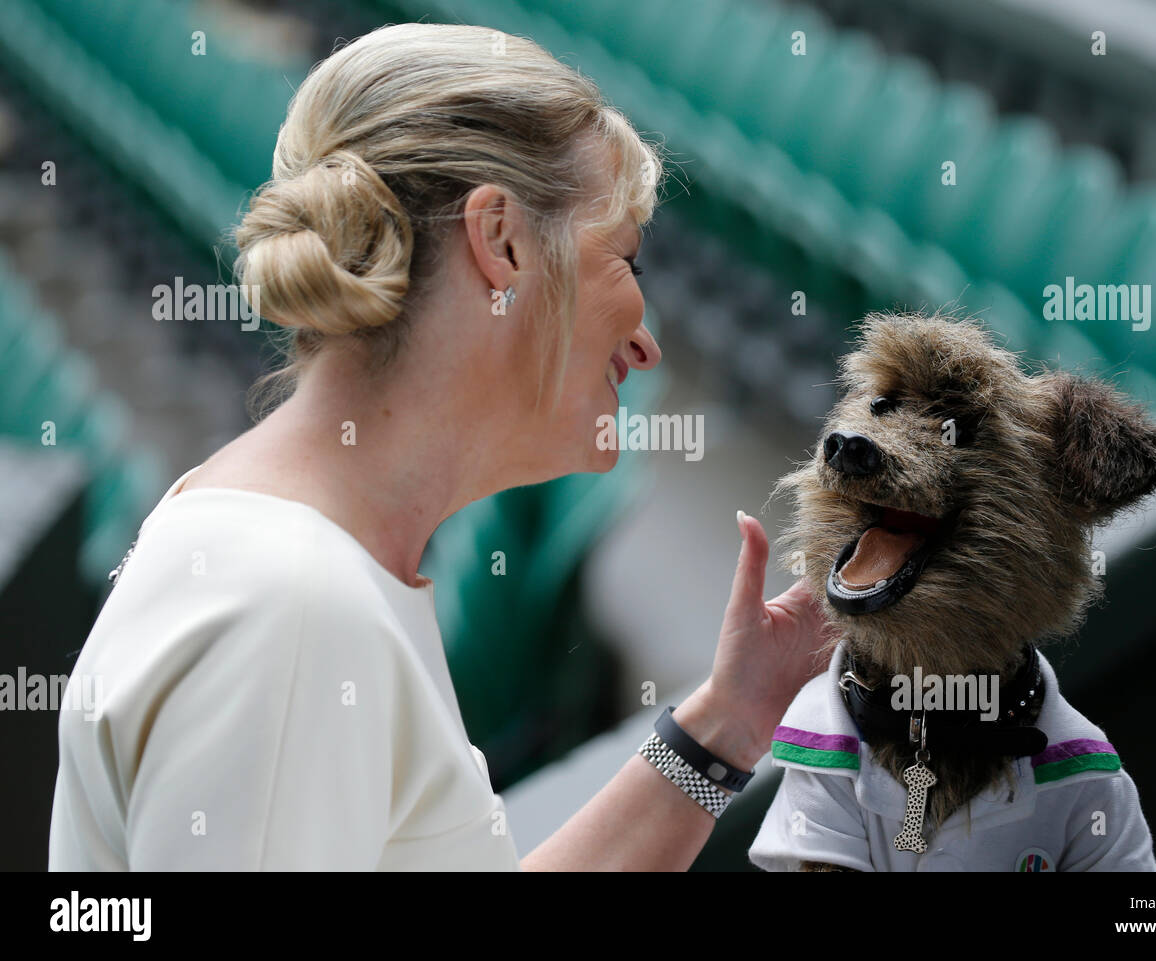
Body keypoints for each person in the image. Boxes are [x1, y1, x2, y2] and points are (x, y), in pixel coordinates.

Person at [48, 22, 827, 870]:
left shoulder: (307, 568)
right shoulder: (298, 611)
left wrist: (730, 722)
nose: (647, 342)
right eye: (624, 259)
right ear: (500, 242)